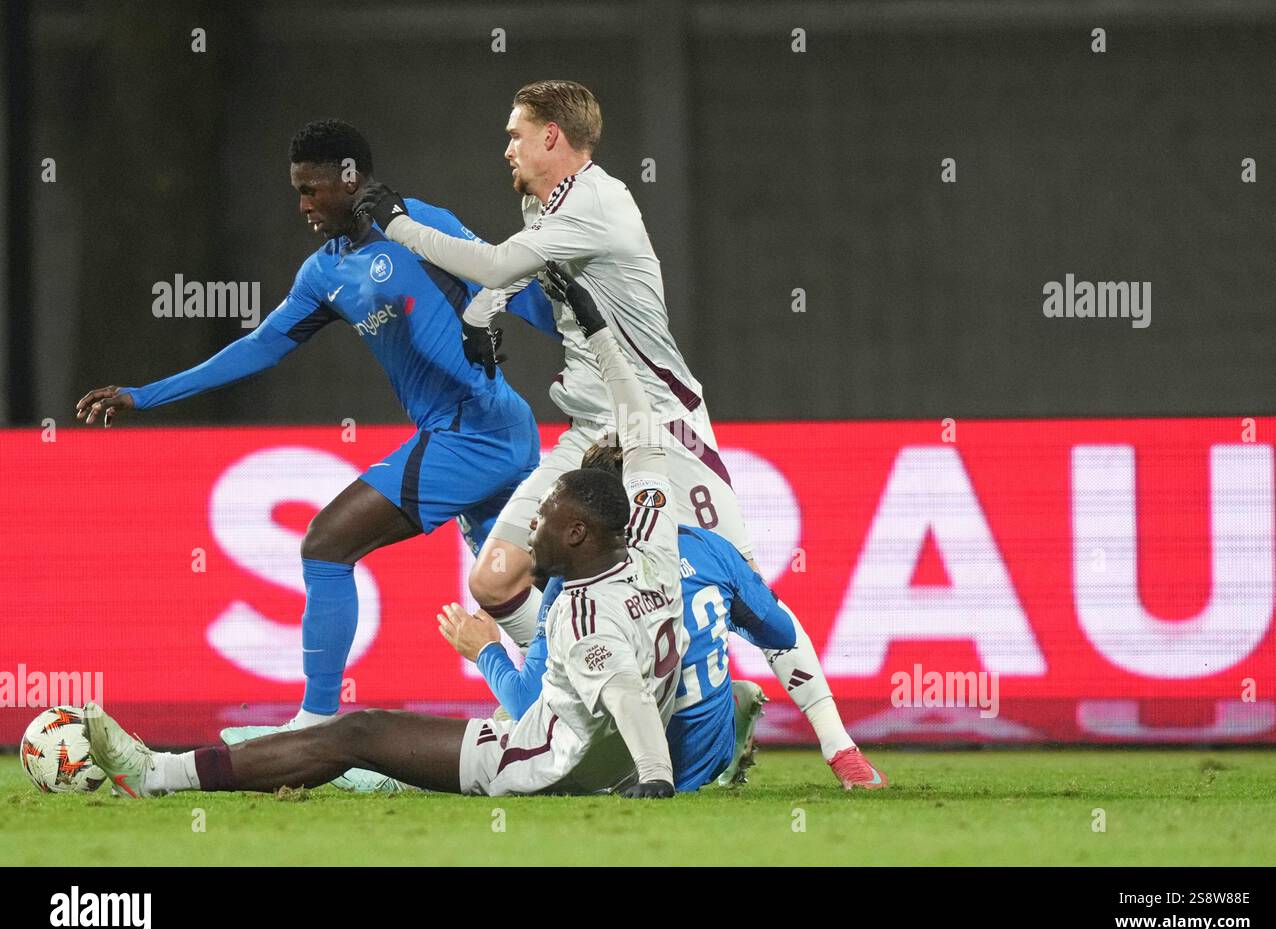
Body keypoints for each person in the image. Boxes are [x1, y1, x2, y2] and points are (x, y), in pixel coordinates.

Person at [353, 81, 882, 786]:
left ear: (552, 139)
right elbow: (517, 274)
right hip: (589, 425)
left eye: (517, 133)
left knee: (747, 591)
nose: (506, 145)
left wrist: (397, 224)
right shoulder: (541, 204)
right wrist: (480, 318)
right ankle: (584, 710)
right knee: (497, 575)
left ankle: (839, 747)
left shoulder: (596, 204)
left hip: (660, 422)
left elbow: (497, 264)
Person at [83, 255, 686, 799]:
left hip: (545, 762)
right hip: (607, 760)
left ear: (579, 534)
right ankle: (357, 764)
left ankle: (159, 774)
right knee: (474, 636)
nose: (530, 525)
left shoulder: (581, 616)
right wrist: (598, 329)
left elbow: (585, 695)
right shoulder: (651, 540)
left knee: (359, 728)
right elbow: (641, 422)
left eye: (544, 514)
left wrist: (486, 657)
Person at [74, 119, 553, 739]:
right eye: (297, 190)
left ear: (350, 178)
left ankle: (315, 723)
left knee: (326, 545)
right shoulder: (323, 274)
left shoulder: (416, 221)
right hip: (482, 432)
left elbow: (507, 281)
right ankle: (561, 701)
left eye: (312, 188)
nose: (302, 204)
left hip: (476, 429)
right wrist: (147, 395)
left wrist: (591, 341)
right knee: (510, 587)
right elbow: (260, 348)